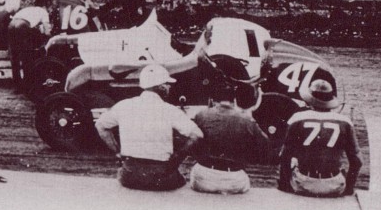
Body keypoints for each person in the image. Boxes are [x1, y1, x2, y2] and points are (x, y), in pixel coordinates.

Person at [94, 63, 203, 191]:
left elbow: (100, 125)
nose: (169, 87)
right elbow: (197, 135)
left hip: (129, 176)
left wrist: (117, 152)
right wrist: (177, 157)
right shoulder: (169, 110)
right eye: (168, 84)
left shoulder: (124, 105)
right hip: (160, 178)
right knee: (181, 182)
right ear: (161, 87)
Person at [277, 79, 362, 198]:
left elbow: (285, 155)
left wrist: (284, 185)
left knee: (294, 161)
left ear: (310, 100)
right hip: (334, 184)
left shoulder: (297, 118)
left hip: (304, 183)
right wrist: (349, 188)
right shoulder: (345, 122)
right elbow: (357, 160)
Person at [188, 80, 272, 194]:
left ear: (213, 99)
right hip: (233, 180)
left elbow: (190, 141)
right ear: (234, 100)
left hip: (204, 177)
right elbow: (265, 145)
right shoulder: (246, 119)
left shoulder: (201, 114)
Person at [8, 0, 53, 87]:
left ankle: (17, 85)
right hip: (22, 25)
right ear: (44, 6)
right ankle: (27, 84)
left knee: (14, 56)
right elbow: (46, 30)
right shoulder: (43, 11)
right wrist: (49, 39)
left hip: (11, 24)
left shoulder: (28, 9)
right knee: (26, 56)